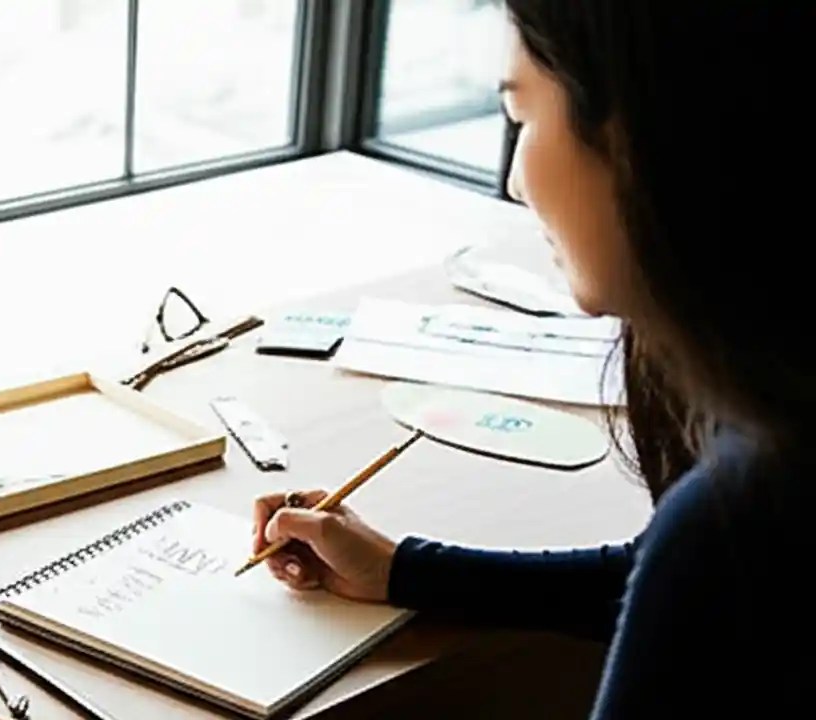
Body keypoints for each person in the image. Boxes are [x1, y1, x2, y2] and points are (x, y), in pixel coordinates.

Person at [252, 3, 811, 717]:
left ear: (645, 127)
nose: (516, 183)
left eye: (523, 116)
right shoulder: (755, 499)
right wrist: (403, 571)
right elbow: (660, 585)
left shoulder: (745, 510)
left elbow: (694, 573)